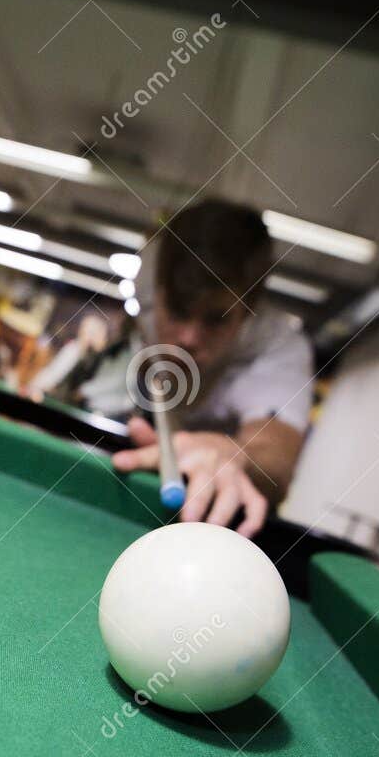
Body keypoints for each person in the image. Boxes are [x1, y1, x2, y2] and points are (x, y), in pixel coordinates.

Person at [96, 200, 313, 539]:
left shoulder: (279, 347)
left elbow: (277, 457)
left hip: (224, 504)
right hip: (154, 436)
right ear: (158, 291)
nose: (188, 338)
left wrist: (231, 453)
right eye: (178, 311)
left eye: (215, 319)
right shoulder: (146, 277)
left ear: (249, 310)